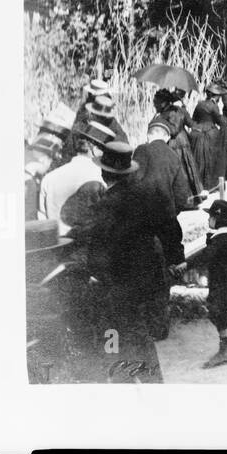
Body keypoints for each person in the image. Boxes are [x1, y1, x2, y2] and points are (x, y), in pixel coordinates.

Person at [90, 140, 184, 345]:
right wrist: (175, 258)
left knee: (119, 329)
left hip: (119, 275)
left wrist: (97, 274)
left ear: (104, 174)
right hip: (149, 266)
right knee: (149, 325)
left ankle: (115, 357)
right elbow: (170, 226)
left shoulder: (104, 205)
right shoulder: (149, 194)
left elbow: (98, 246)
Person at [37, 129, 104, 237]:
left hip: (56, 247)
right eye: (103, 150)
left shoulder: (49, 178)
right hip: (85, 249)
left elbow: (42, 222)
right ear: (94, 149)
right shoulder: (99, 178)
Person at [199, 198, 227, 369]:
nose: (208, 219)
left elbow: (206, 255)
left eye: (210, 217)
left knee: (217, 312)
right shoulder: (225, 237)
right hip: (223, 283)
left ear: (216, 220)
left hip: (223, 285)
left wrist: (186, 264)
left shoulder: (221, 239)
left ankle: (225, 349)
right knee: (217, 312)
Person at [135, 119, 197, 217]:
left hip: (145, 215)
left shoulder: (141, 150)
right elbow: (182, 193)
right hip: (168, 216)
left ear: (148, 135)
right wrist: (172, 212)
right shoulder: (173, 155)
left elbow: (133, 183)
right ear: (167, 137)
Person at [189, 94, 225, 195]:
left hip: (198, 133)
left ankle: (198, 185)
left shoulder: (199, 105)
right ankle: (211, 185)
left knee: (198, 159)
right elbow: (219, 121)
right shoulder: (214, 106)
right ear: (216, 97)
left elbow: (194, 119)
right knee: (212, 159)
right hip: (210, 134)